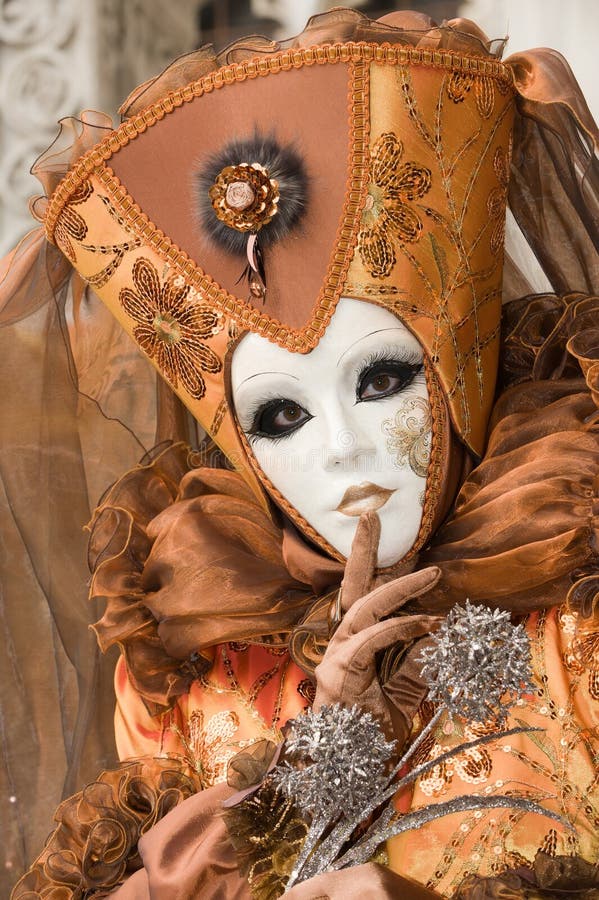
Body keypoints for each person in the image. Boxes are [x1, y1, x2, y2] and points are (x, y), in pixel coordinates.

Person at [6, 8, 599, 898]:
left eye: (382, 379)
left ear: (459, 374)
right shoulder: (202, 666)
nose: (342, 448)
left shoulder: (577, 616)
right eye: (280, 416)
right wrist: (315, 766)